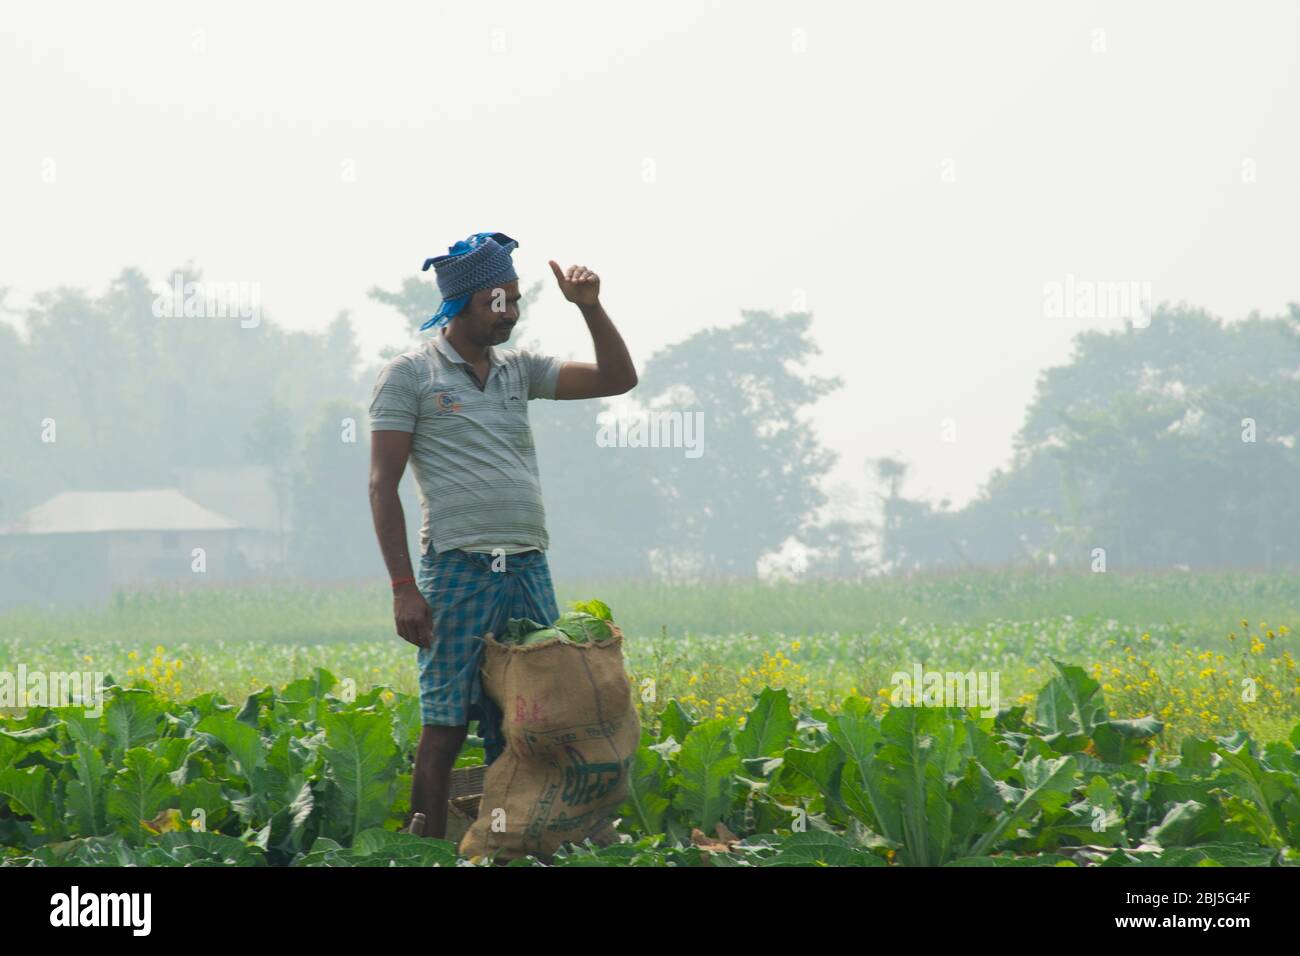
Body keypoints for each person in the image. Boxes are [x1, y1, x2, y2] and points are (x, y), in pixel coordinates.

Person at [367, 231, 637, 839]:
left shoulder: (520, 371)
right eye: (498, 301)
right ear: (462, 303)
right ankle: (428, 850)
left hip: (527, 567)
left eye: (514, 300)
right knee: (444, 725)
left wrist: (588, 306)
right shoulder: (410, 375)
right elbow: (382, 486)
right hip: (457, 568)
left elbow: (618, 379)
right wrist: (403, 587)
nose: (509, 313)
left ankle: (513, 844)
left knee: (531, 720)